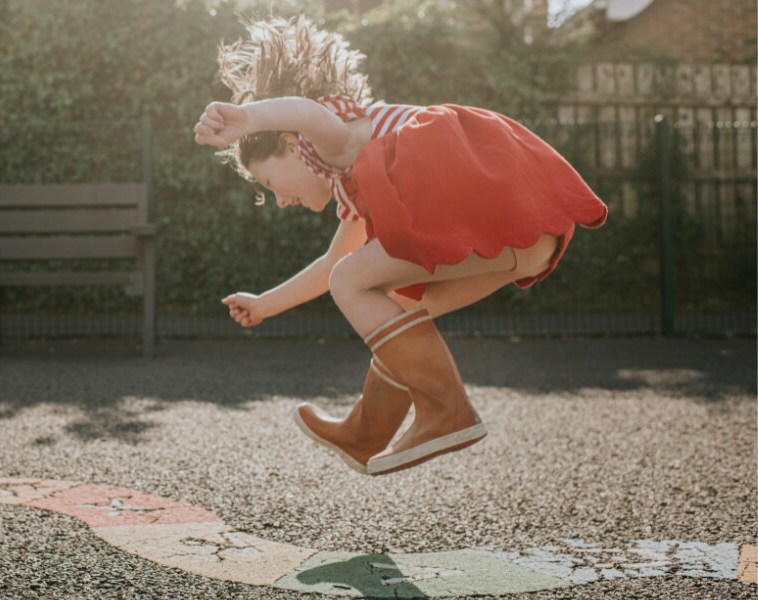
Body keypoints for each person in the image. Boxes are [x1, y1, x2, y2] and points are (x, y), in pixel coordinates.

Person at [193, 17, 607, 476]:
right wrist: (265, 305)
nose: (281, 201)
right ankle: (367, 430)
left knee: (353, 281)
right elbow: (332, 261)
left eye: (270, 183)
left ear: (292, 147)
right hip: (526, 240)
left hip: (502, 215)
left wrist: (248, 118)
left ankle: (446, 410)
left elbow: (305, 113)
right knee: (396, 304)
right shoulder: (355, 179)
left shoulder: (336, 140)